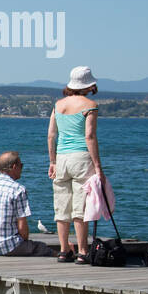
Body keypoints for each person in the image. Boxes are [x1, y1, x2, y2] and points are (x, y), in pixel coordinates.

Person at [47, 66, 103, 263]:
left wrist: (52, 161)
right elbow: (89, 136)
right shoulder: (90, 105)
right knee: (80, 207)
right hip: (81, 157)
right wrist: (97, 166)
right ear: (88, 84)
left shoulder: (58, 105)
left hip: (61, 157)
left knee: (62, 206)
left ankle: (64, 250)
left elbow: (51, 135)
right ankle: (82, 251)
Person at [0, 151, 59, 256]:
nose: (22, 168)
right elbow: (22, 228)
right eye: (21, 165)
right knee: (42, 248)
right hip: (8, 247)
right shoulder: (18, 189)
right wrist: (24, 242)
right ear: (14, 167)